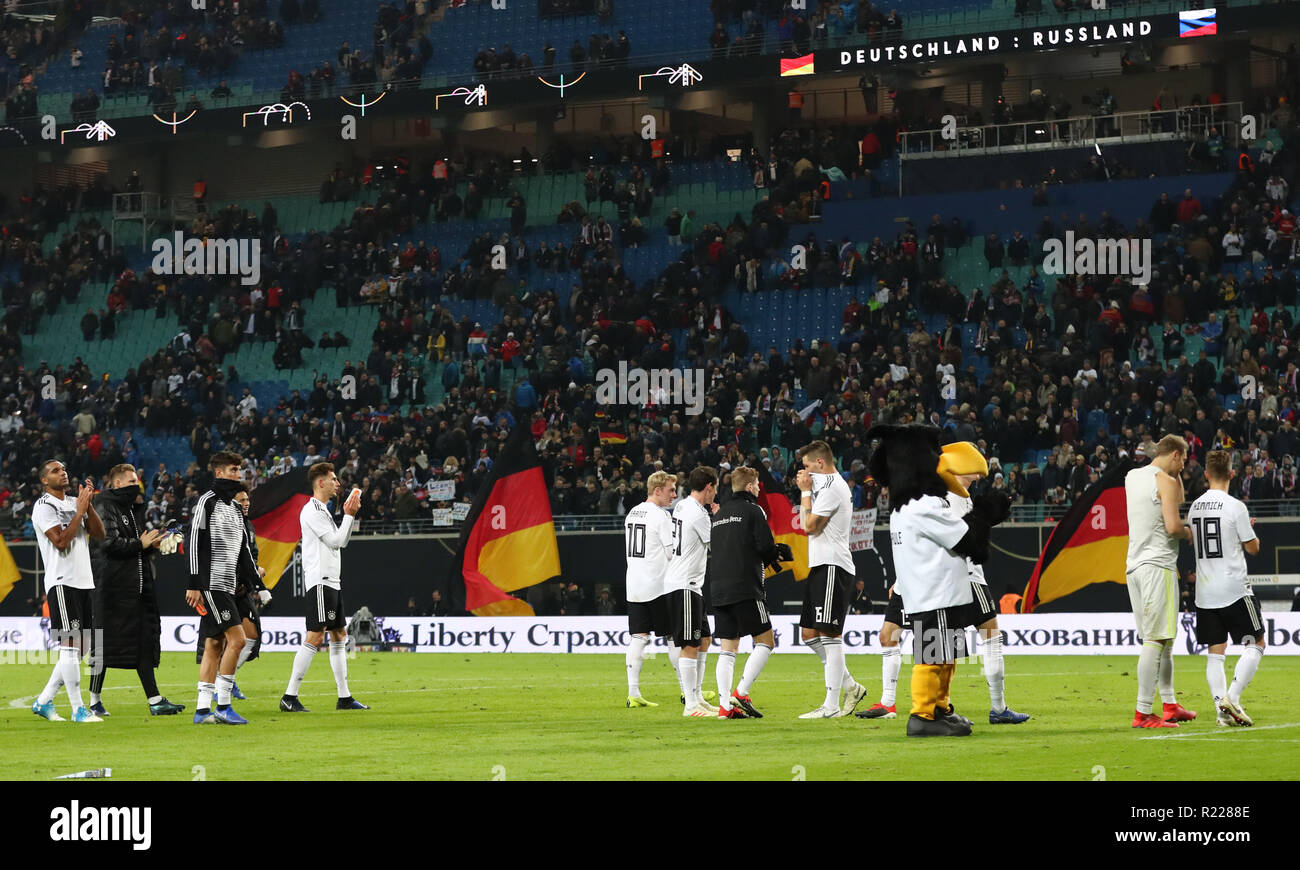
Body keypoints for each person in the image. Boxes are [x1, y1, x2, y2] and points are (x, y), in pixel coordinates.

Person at [866, 425, 1010, 737]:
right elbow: (966, 541)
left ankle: (940, 707)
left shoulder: (906, 508)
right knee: (933, 657)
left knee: (947, 657)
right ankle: (922, 715)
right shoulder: (923, 506)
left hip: (940, 592)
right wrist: (986, 512)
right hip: (935, 594)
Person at [939, 443, 1030, 725]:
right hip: (967, 575)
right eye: (973, 470)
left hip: (944, 580)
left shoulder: (945, 497)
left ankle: (941, 707)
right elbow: (962, 538)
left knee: (946, 647)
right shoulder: (954, 498)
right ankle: (998, 707)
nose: (978, 476)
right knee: (990, 638)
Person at [87, 463, 184, 717]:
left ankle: (155, 700)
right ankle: (93, 701)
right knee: (103, 644)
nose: (136, 486)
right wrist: (141, 543)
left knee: (142, 642)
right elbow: (107, 544)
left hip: (134, 587)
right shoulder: (103, 505)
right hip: (112, 588)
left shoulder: (127, 508)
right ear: (116, 483)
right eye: (131, 482)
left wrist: (156, 542)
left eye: (137, 482)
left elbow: (135, 545)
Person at [280, 462, 367, 712]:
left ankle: (344, 697)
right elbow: (338, 541)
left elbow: (343, 541)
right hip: (320, 582)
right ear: (320, 483)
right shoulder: (312, 511)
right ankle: (290, 696)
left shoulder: (323, 510)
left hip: (332, 582)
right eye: (333, 479)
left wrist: (348, 516)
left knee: (339, 635)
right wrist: (349, 514)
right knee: (315, 636)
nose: (337, 483)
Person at [708, 466, 793, 719]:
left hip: (718, 587)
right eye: (757, 484)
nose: (758, 488)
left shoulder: (720, 514)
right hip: (745, 587)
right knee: (766, 641)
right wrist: (778, 551)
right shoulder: (754, 510)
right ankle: (742, 692)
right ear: (749, 487)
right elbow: (766, 547)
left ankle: (725, 707)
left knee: (728, 647)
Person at [1124, 434, 1197, 728]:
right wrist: (1188, 532)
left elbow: (1174, 497)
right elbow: (1172, 525)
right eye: (1184, 460)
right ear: (1177, 455)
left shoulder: (1132, 476)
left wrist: (1174, 473)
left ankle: (1169, 704)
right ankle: (1143, 713)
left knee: (1163, 640)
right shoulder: (1164, 481)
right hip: (1159, 565)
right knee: (1156, 639)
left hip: (1135, 566)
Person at [1187, 451, 1263, 727]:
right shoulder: (1235, 507)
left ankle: (1222, 713)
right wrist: (1250, 531)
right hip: (1234, 588)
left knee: (1215, 652)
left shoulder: (1194, 507)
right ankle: (1232, 697)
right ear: (1232, 474)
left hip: (1205, 593)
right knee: (1256, 643)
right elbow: (1252, 548)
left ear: (1206, 475)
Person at [30, 460, 106, 723]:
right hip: (62, 580)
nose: (62, 472)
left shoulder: (76, 502)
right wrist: (79, 512)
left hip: (84, 580)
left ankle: (43, 701)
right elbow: (61, 542)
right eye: (54, 470)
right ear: (44, 480)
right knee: (71, 645)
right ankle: (78, 709)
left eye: (63, 469)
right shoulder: (44, 506)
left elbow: (99, 534)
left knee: (79, 648)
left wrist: (88, 507)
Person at [795, 440, 867, 719]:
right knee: (809, 634)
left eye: (807, 466)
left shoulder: (834, 488)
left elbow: (809, 526)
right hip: (821, 565)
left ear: (820, 464)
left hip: (833, 566)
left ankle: (831, 705)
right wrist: (808, 490)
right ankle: (850, 685)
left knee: (828, 635)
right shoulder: (825, 487)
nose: (804, 472)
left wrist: (804, 493)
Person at [188, 451, 257, 725]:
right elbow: (194, 542)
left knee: (214, 644)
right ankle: (224, 704)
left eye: (239, 470)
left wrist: (257, 583)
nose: (238, 475)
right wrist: (194, 584)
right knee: (238, 640)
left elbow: (244, 552)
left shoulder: (234, 508)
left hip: (228, 585)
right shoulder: (207, 501)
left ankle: (202, 710)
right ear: (219, 473)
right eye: (233, 470)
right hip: (212, 584)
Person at [195, 485, 272, 700]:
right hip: (224, 588)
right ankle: (221, 690)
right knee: (225, 641)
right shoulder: (218, 517)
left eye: (248, 499)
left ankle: (223, 683)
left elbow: (247, 557)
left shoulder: (247, 524)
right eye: (241, 500)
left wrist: (255, 578)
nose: (246, 503)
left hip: (242, 588)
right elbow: (224, 555)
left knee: (247, 638)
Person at [623, 470, 681, 707]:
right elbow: (671, 552)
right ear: (657, 491)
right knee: (673, 637)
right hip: (658, 585)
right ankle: (687, 691)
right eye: (670, 490)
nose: (674, 495)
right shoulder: (661, 516)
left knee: (639, 637)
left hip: (634, 584)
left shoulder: (632, 513)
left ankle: (633, 694)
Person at [664, 466, 717, 717]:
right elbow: (717, 544)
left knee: (704, 639)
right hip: (684, 584)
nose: (714, 494)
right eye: (714, 488)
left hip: (691, 585)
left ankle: (697, 697)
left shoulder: (684, 505)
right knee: (690, 644)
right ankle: (691, 704)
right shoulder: (699, 514)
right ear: (708, 487)